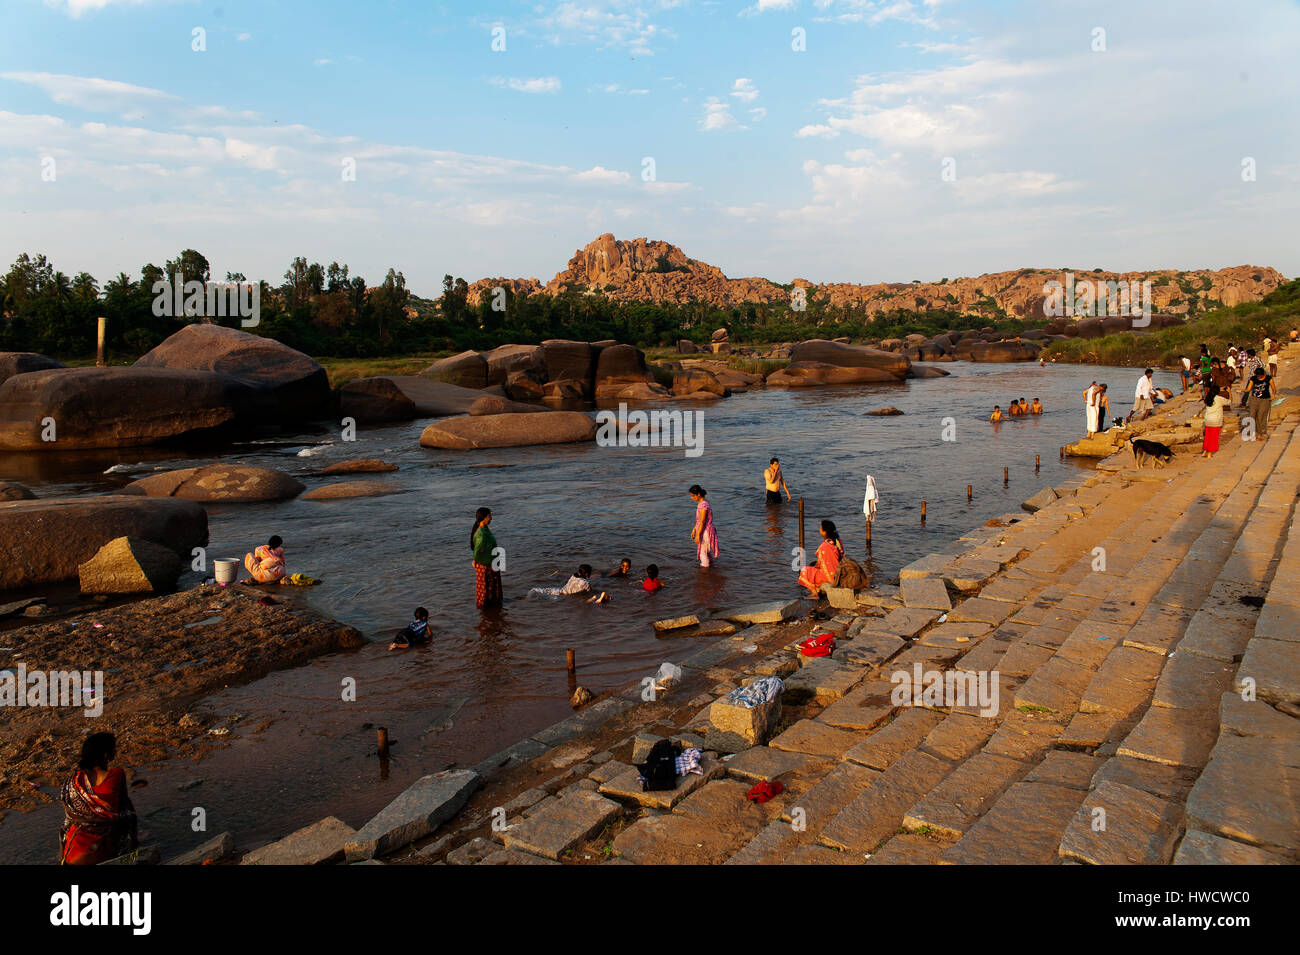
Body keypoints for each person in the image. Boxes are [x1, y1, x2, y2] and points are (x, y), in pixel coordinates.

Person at [59, 733, 138, 866]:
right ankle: (128, 854)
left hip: (73, 849)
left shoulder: (73, 780)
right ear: (106, 755)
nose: (116, 752)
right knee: (128, 817)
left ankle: (63, 858)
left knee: (67, 824)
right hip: (101, 848)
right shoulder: (116, 775)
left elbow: (69, 813)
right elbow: (125, 806)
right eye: (114, 749)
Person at [798, 519, 844, 598]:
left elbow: (821, 563)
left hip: (830, 577)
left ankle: (815, 592)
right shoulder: (838, 541)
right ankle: (818, 590)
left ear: (825, 532)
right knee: (812, 566)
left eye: (820, 528)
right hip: (839, 573)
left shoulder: (824, 546)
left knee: (804, 571)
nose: (819, 529)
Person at [471, 507, 502, 609]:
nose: (491, 518)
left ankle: (493, 609)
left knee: (492, 588)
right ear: (483, 518)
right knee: (485, 588)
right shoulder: (481, 533)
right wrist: (476, 560)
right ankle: (484, 610)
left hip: (491, 563)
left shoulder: (485, 529)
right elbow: (477, 550)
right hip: (485, 565)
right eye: (489, 516)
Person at [689, 485, 719, 567]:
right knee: (707, 551)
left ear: (698, 494)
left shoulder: (703, 505)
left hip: (705, 531)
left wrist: (698, 535)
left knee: (703, 552)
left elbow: (702, 521)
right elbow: (699, 520)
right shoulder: (702, 504)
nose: (692, 498)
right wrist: (694, 529)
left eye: (693, 496)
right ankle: (712, 566)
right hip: (705, 529)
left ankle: (705, 570)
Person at [1201, 384, 1232, 458]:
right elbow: (1229, 402)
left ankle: (1204, 451)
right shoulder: (1219, 398)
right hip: (1216, 420)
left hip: (1208, 419)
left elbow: (1212, 392)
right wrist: (1229, 392)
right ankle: (1210, 453)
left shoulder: (1207, 397)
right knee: (1214, 437)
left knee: (1207, 436)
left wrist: (1219, 389)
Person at [1246, 366, 1273, 439]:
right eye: (1257, 375)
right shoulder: (1253, 378)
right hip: (1254, 399)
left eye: (1259, 375)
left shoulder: (1268, 378)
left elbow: (1274, 388)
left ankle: (1260, 433)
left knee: (1260, 416)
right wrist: (1241, 390)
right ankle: (1252, 431)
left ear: (1263, 374)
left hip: (1265, 399)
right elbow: (1248, 389)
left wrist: (1273, 395)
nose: (1258, 377)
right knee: (1252, 415)